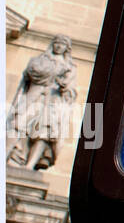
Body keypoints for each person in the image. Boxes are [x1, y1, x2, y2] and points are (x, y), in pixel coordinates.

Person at [7, 35, 77, 171]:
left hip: (53, 101)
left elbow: (71, 92)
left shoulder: (70, 67)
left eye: (62, 44)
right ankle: (14, 156)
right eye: (56, 43)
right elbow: (30, 74)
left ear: (66, 48)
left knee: (43, 133)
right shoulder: (40, 60)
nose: (58, 46)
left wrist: (65, 87)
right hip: (34, 97)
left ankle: (30, 165)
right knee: (18, 125)